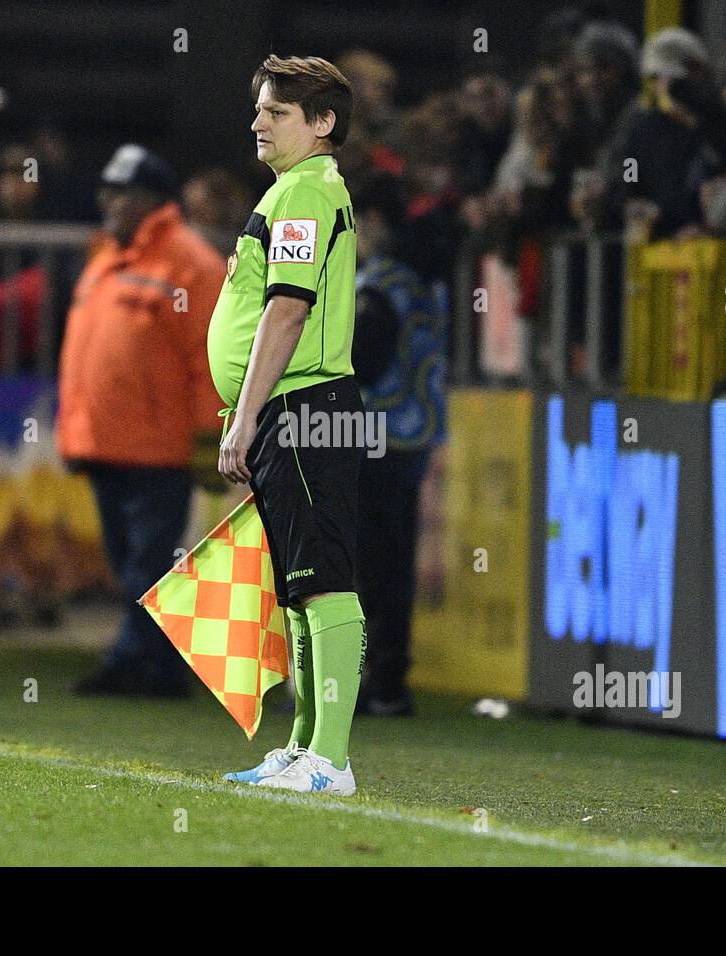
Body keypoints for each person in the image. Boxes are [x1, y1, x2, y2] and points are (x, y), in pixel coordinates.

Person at [212, 54, 364, 795]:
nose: (258, 124)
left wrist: (243, 420)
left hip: (304, 408)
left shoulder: (303, 195)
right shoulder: (297, 192)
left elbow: (287, 308)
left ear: (323, 122)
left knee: (324, 581)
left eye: (276, 113)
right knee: (301, 585)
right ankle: (306, 747)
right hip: (293, 408)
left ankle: (329, 761)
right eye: (260, 110)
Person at [58, 144, 225, 696]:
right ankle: (160, 668)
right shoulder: (108, 256)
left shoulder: (190, 263)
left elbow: (209, 361)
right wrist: (73, 430)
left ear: (153, 199)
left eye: (121, 190)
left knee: (147, 563)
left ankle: (133, 663)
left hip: (160, 447)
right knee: (128, 561)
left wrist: (209, 440)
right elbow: (87, 355)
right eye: (107, 188)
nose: (108, 199)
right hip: (106, 442)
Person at [350, 172, 446, 716]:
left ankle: (375, 678)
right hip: (414, 435)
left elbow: (364, 361)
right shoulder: (424, 282)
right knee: (395, 563)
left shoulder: (379, 285)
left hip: (375, 435)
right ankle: (391, 678)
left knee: (369, 563)